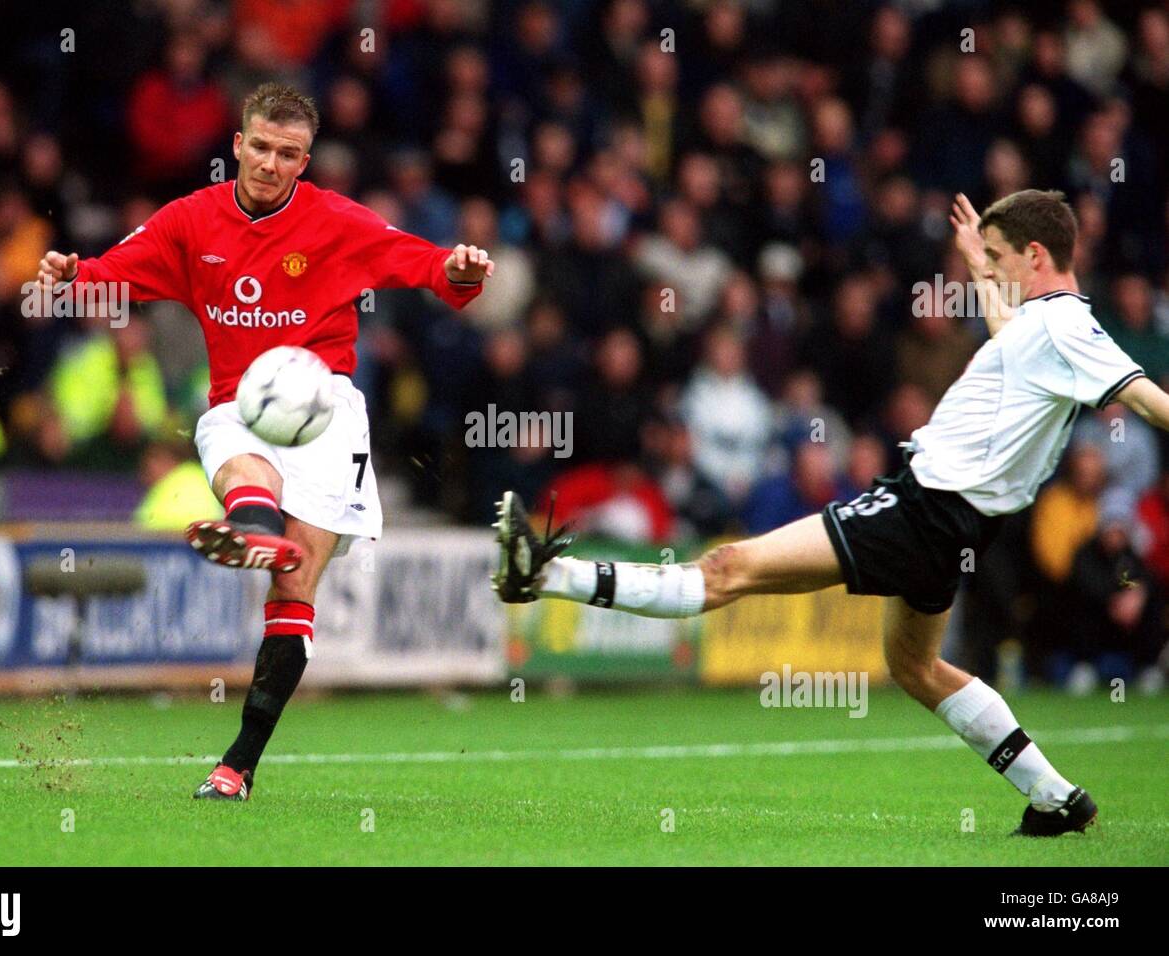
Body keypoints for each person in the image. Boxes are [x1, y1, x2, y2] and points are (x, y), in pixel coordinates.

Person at [493, 189, 1169, 836]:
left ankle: (548, 576)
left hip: (925, 509)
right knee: (916, 669)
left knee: (730, 569)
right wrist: (975, 266)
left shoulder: (1069, 327)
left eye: (996, 255)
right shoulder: (1042, 329)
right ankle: (1056, 798)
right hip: (948, 516)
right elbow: (1012, 339)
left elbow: (1142, 395)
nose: (986, 267)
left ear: (1035, 255)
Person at [37, 83, 493, 801]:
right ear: (238, 146)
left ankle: (238, 763)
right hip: (237, 403)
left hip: (326, 413)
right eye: (261, 147)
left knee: (292, 587)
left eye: (288, 154)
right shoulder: (192, 220)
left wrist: (458, 270)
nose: (271, 164)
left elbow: (422, 262)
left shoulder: (337, 222)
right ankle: (254, 526)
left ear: (304, 161)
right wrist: (72, 276)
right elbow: (116, 269)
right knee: (231, 440)